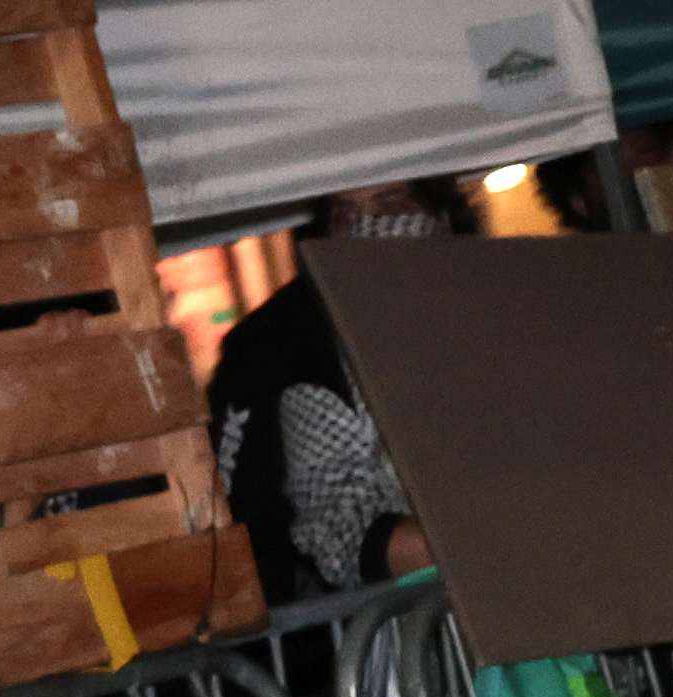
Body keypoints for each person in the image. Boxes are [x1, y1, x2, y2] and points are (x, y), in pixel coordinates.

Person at [202, 172, 474, 612]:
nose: (371, 229)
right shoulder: (296, 347)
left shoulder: (503, 315)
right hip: (416, 635)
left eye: (392, 205)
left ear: (440, 216)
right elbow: (337, 526)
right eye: (346, 216)